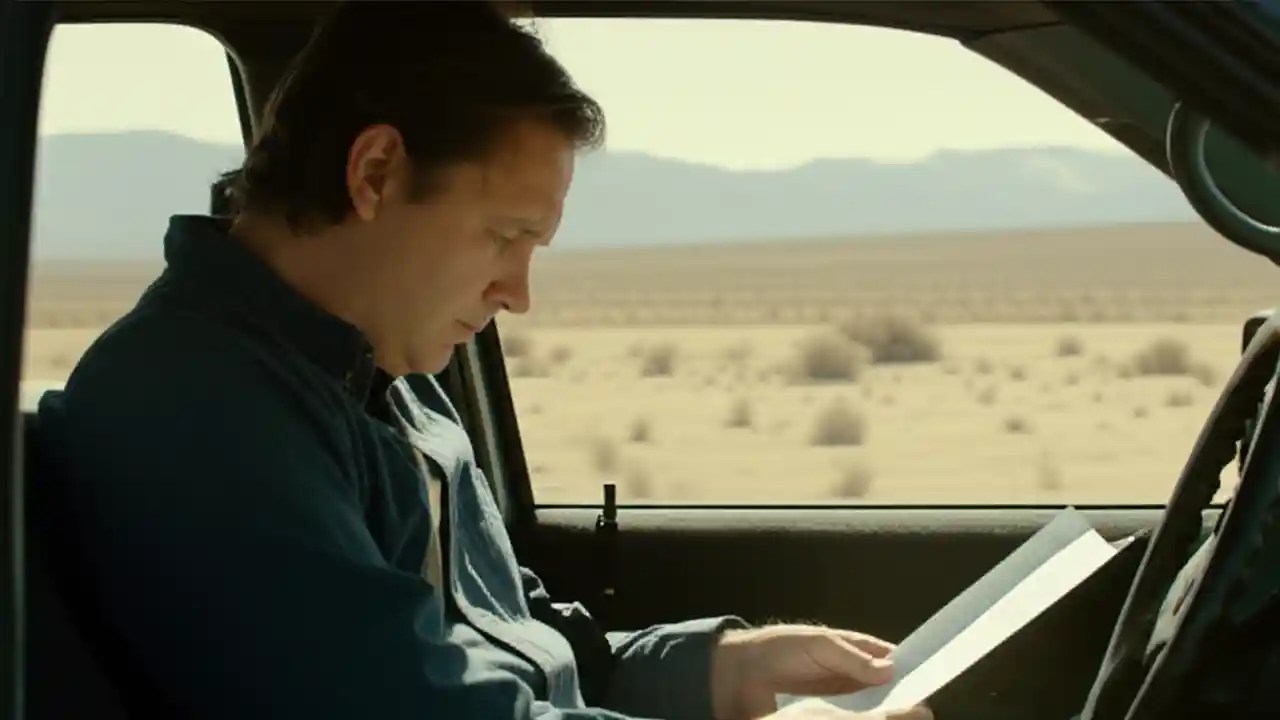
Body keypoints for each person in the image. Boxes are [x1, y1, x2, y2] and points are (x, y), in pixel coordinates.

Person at [35, 3, 931, 719]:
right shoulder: (195, 407)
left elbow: (524, 648)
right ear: (376, 173)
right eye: (505, 236)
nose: (519, 293)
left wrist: (729, 669)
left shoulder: (397, 385)